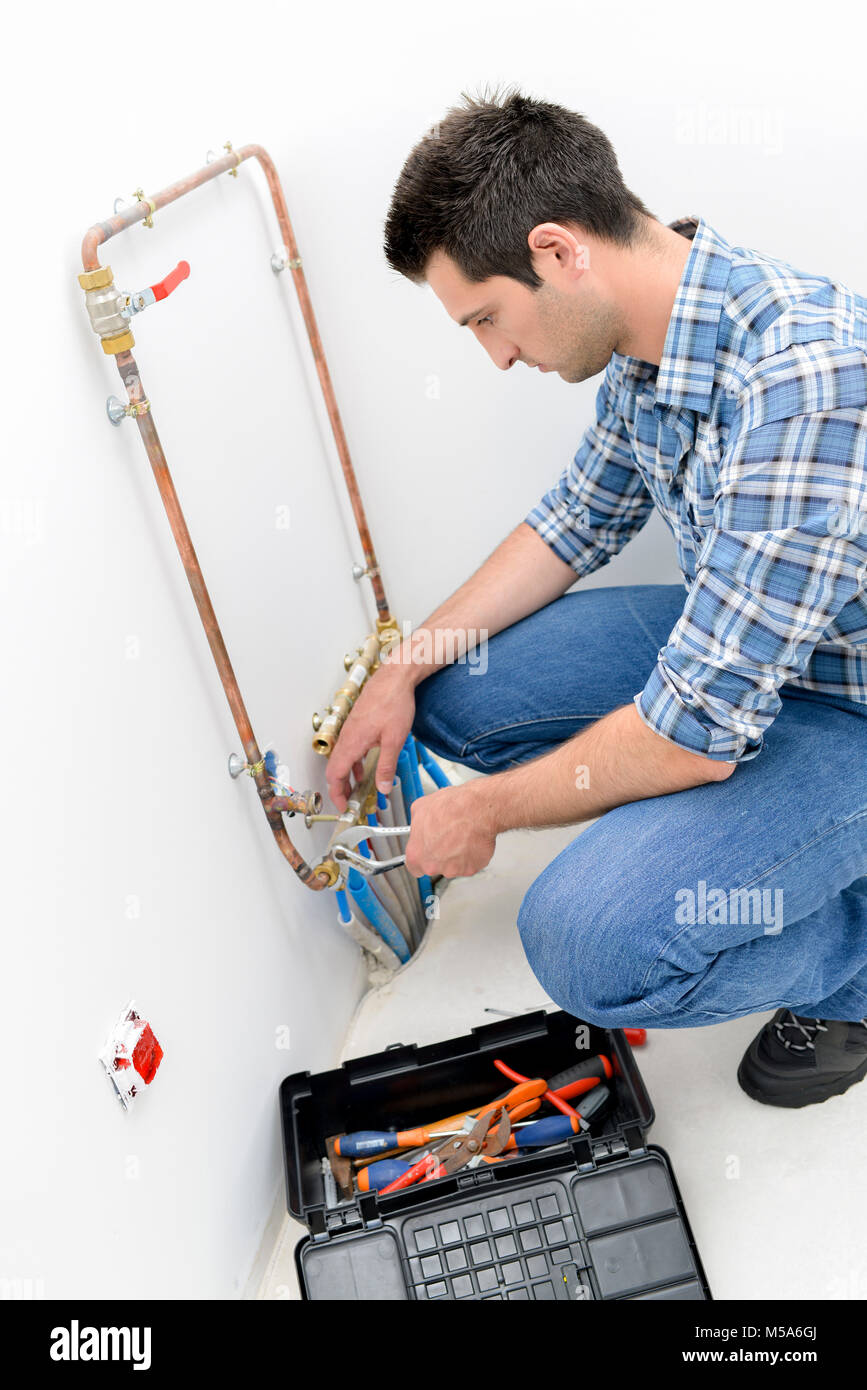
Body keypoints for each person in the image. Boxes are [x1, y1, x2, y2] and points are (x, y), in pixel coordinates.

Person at [326, 86, 867, 1109]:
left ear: (558, 251)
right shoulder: (649, 338)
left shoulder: (807, 382)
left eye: (487, 316)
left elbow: (693, 736)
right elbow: (571, 523)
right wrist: (400, 666)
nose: (493, 354)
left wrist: (484, 810)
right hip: (755, 653)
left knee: (591, 945)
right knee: (457, 690)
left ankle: (858, 963)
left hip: (848, 697)